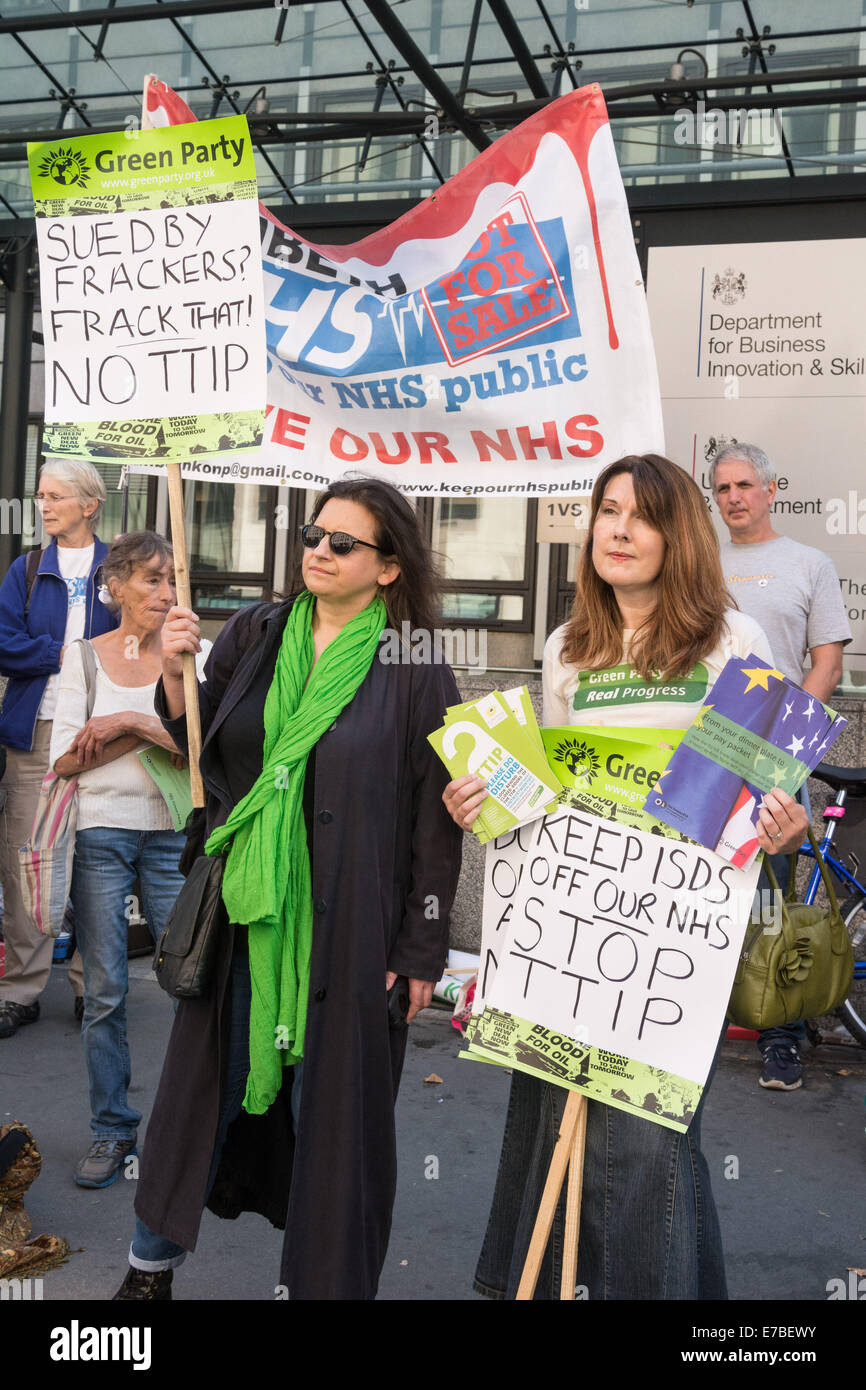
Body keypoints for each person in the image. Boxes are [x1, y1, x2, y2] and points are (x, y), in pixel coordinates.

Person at [444, 453, 808, 1301]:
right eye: (606, 510)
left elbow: (761, 797)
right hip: (572, 932)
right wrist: (484, 799)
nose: (616, 528)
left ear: (677, 535)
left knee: (648, 1139)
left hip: (675, 943)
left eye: (640, 516)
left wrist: (780, 823)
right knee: (555, 1127)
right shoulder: (568, 647)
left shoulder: (733, 643)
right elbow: (548, 795)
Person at [112, 477, 462, 1301]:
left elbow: (432, 820)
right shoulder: (259, 630)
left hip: (354, 931)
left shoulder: (414, 666)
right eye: (314, 533)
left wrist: (420, 949)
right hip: (244, 914)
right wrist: (172, 675)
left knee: (333, 1121)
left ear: (386, 568)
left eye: (343, 542)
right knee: (199, 1100)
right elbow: (201, 741)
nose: (319, 550)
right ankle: (147, 1270)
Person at [50, 532, 209, 1189]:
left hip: (174, 832)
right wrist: (138, 734)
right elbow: (62, 761)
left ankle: (188, 1131)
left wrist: (132, 725)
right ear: (114, 587)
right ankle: (113, 1132)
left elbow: (203, 756)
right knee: (106, 991)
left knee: (188, 984)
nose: (166, 593)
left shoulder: (187, 651)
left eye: (171, 579)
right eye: (150, 579)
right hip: (102, 835)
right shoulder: (82, 659)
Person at [711, 442, 852, 1091]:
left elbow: (827, 660)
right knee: (702, 887)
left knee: (771, 896)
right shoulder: (699, 564)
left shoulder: (809, 563)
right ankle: (689, 1020)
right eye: (722, 488)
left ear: (770, 489)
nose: (733, 496)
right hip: (705, 753)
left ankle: (781, 1035)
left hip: (777, 753)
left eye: (744, 484)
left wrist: (788, 738)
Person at [0, 460, 117, 1040]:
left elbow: (139, 635)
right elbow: (4, 643)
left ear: (89, 505)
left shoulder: (118, 568)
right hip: (38, 731)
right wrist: (64, 655)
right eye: (40, 496)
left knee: (97, 860)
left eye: (55, 497)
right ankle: (20, 990)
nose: (43, 506)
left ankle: (88, 988)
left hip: (102, 733)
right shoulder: (26, 568)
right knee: (28, 859)